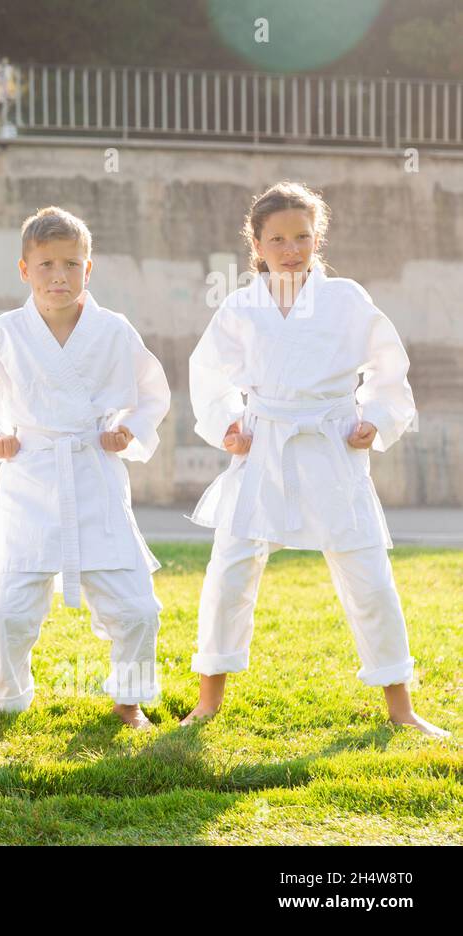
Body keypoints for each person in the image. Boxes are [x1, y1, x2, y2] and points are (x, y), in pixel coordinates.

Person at [182, 181, 447, 738]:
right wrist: (227, 424)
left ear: (317, 237)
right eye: (276, 238)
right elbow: (207, 373)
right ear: (255, 244)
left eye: (302, 236)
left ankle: (400, 705)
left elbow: (387, 366)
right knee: (230, 572)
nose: (290, 248)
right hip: (264, 443)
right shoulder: (240, 306)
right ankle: (209, 698)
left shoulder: (346, 298)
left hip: (330, 442)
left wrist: (373, 418)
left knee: (368, 574)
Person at [0, 207, 171, 729]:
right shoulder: (6, 332)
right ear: (24, 269)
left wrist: (129, 428)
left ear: (89, 269)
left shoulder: (113, 330)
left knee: (137, 610)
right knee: (7, 611)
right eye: (47, 265)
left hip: (94, 472)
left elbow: (152, 392)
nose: (59, 276)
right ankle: (9, 695)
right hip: (29, 473)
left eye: (72, 265)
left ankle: (130, 699)